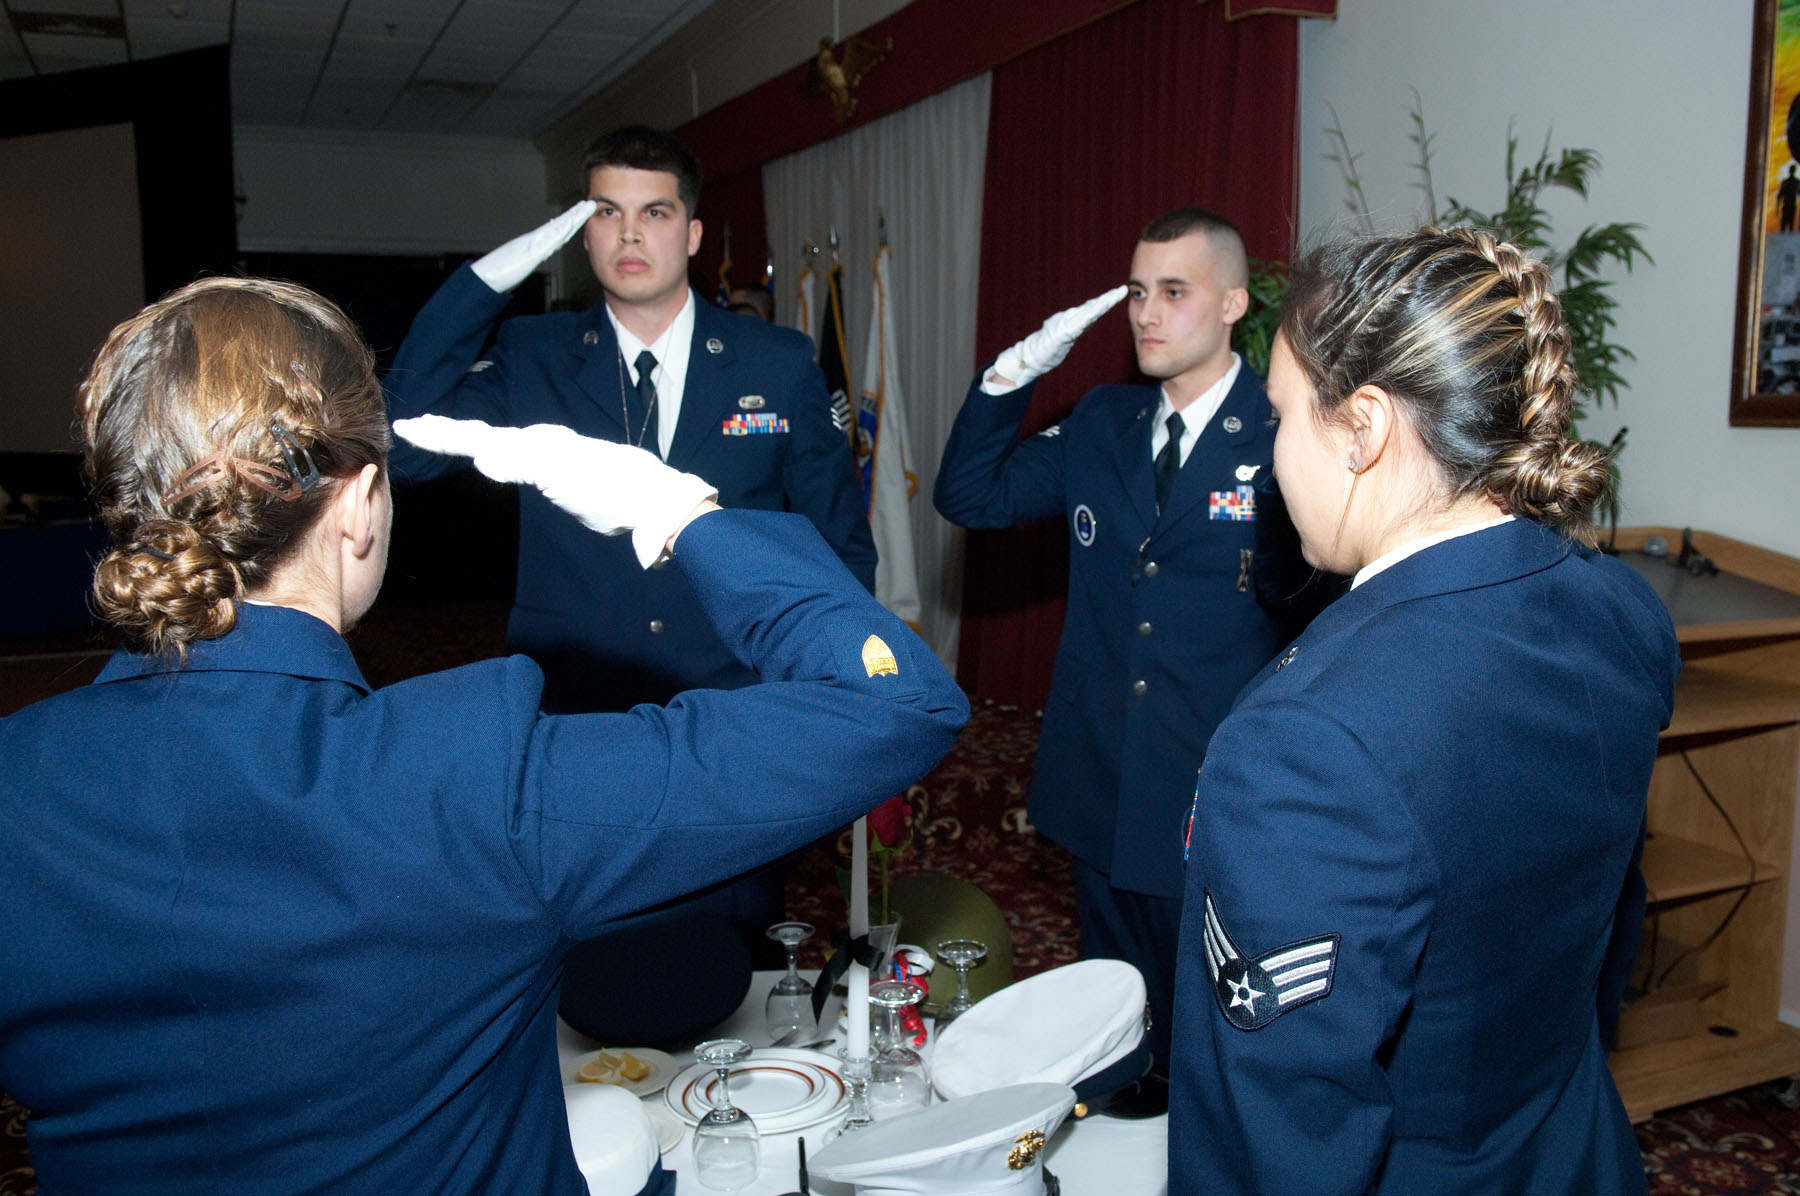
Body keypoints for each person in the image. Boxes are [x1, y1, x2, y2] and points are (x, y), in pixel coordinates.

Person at [0, 277, 966, 1196]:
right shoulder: (469, 782)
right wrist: (680, 514)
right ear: (361, 505)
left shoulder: (16, 782)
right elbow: (898, 702)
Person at [1167, 226, 1679, 1195]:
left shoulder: (1303, 741)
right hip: (1568, 1147)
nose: (1270, 457)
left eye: (1278, 415)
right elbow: (1607, 928)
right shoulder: (1621, 610)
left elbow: (1269, 1130)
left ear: (1363, 426)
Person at [383, 124, 878, 1041]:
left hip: (731, 711)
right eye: (605, 213)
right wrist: (484, 283)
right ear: (582, 233)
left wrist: (822, 696)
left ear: (692, 232)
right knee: (596, 960)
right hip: (581, 707)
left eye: (655, 212)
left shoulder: (775, 363)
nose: (630, 234)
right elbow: (403, 442)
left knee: (740, 962)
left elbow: (836, 541)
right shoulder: (534, 353)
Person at [933, 207, 1330, 1081]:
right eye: (1139, 293)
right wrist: (1010, 375)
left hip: (1210, 784)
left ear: (1231, 304)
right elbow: (972, 496)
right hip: (1101, 771)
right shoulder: (1104, 421)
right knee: (1113, 1014)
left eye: (1174, 292)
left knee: (1211, 1027)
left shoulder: (1281, 432)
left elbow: (1322, 611)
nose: (1147, 313)